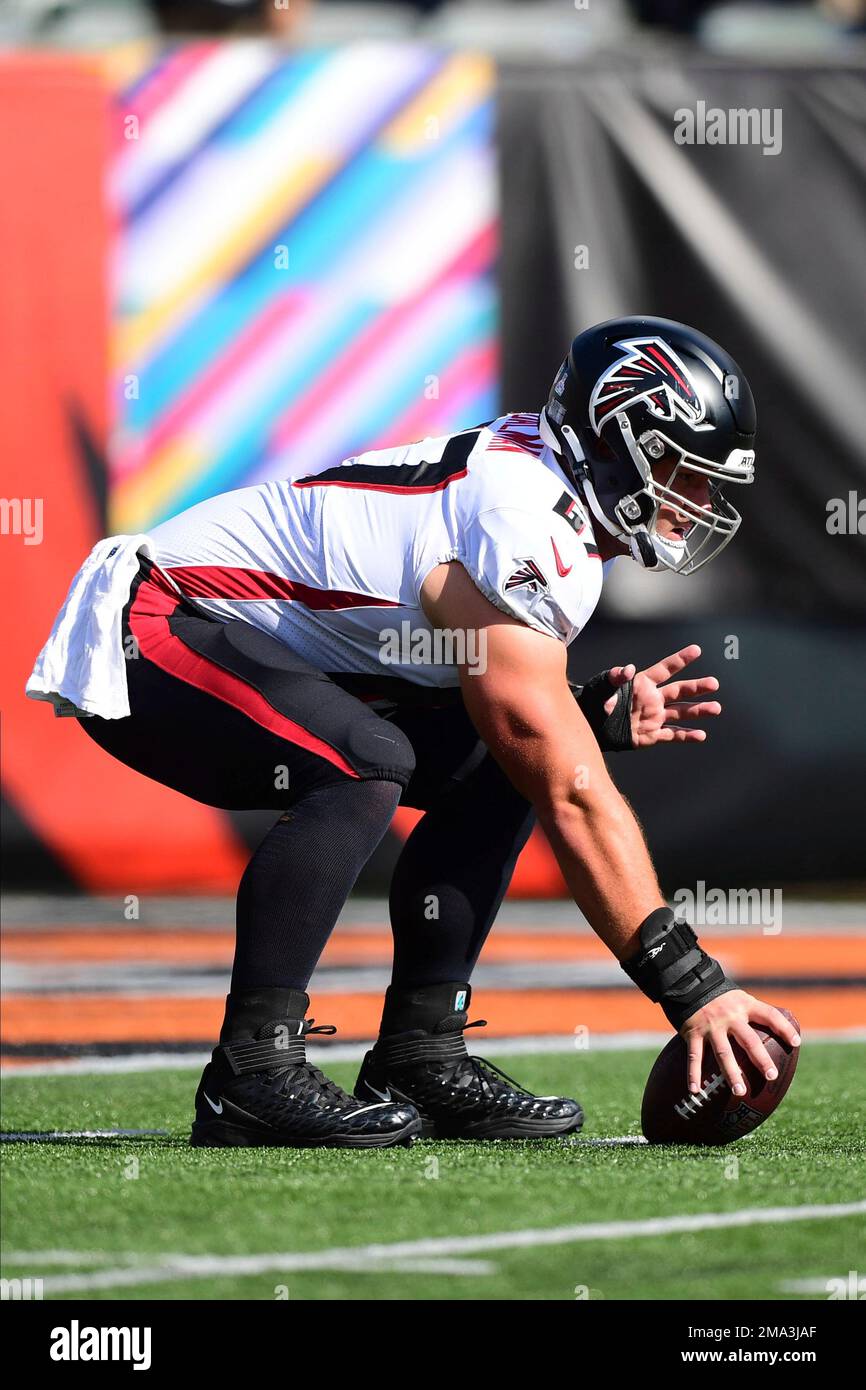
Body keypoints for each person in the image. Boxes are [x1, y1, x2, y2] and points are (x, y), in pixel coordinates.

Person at [27, 315, 800, 1148]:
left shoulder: (550, 501)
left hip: (253, 641)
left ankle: (419, 1051)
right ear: (618, 439)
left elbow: (483, 685)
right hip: (157, 621)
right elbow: (570, 787)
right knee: (371, 761)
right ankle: (249, 1069)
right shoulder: (527, 515)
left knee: (499, 760)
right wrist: (692, 986)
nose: (700, 502)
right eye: (683, 473)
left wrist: (576, 709)